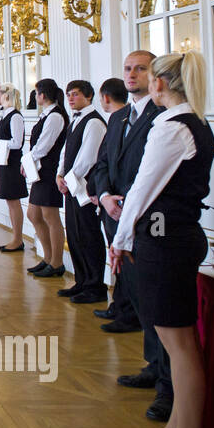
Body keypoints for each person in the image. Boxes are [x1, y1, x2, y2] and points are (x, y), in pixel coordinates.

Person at [109, 52, 214, 428]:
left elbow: (140, 191)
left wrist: (118, 241)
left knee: (180, 345)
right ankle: (177, 427)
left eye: (149, 76)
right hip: (170, 238)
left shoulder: (172, 127)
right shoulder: (190, 122)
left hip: (166, 241)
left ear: (160, 84)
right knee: (176, 342)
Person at [92, 50, 172, 422]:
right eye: (127, 68)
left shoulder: (164, 115)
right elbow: (105, 161)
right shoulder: (119, 116)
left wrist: (128, 203)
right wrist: (106, 195)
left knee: (156, 302)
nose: (132, 74)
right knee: (139, 296)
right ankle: (153, 364)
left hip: (147, 219)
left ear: (155, 74)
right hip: (115, 213)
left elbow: (152, 171)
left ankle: (167, 382)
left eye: (141, 68)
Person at [55, 80, 108, 303]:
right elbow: (66, 151)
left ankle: (95, 286)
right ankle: (81, 280)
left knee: (89, 235)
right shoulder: (74, 121)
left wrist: (68, 178)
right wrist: (59, 174)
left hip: (85, 188)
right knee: (75, 235)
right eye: (68, 95)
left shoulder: (94, 122)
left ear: (88, 96)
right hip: (71, 185)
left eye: (75, 94)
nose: (70, 98)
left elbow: (88, 157)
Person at [85, 78, 128, 317]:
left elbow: (106, 162)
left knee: (120, 255)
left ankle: (123, 308)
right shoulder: (115, 121)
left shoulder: (117, 121)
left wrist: (103, 193)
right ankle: (120, 306)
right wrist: (100, 192)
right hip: (109, 197)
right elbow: (103, 163)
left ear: (104, 98)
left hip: (117, 200)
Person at [25, 78, 69, 278]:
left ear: (42, 95)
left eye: (36, 93)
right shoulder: (47, 115)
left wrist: (27, 161)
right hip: (40, 171)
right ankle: (48, 257)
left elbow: (44, 146)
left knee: (50, 217)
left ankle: (57, 262)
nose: (35, 97)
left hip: (49, 171)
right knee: (34, 215)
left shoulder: (56, 116)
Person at [0, 83, 27, 253]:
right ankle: (16, 237)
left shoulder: (15, 116)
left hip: (13, 163)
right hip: (4, 162)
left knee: (14, 201)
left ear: (6, 96)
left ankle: (17, 238)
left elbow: (17, 142)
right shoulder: (5, 114)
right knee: (10, 201)